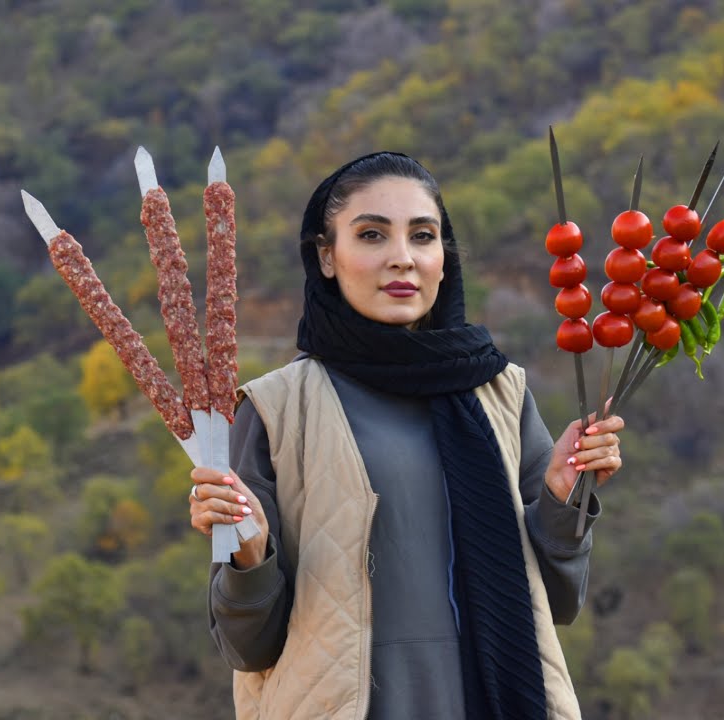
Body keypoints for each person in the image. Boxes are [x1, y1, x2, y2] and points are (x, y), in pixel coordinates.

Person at [188, 152, 625, 720]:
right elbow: (248, 647)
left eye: (423, 236)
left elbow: (557, 604)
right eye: (371, 235)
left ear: (445, 256)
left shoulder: (499, 393)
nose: (403, 259)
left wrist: (565, 501)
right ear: (327, 255)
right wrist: (250, 558)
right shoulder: (275, 409)